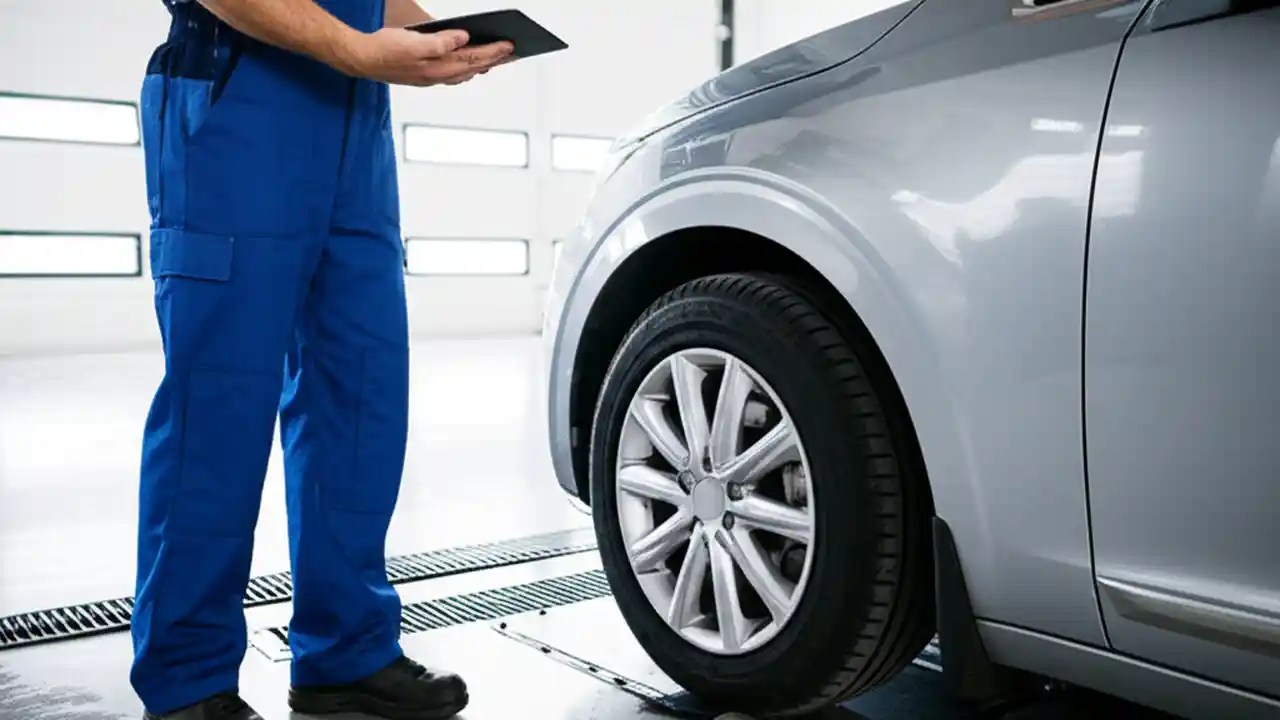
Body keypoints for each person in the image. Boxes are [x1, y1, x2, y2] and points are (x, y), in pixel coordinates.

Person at [131, 1, 513, 718]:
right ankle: (188, 679)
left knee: (360, 394)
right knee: (219, 400)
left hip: (354, 120)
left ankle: (347, 653)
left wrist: (439, 40)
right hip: (238, 91)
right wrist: (356, 50)